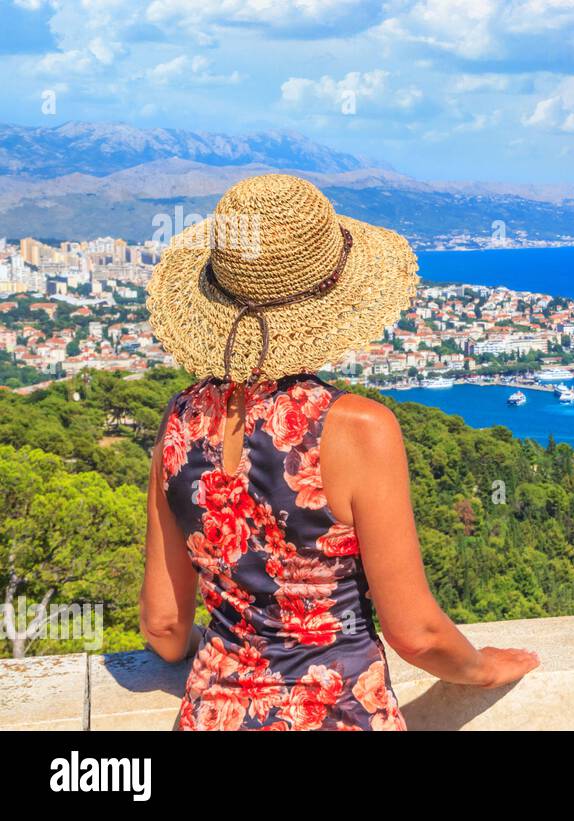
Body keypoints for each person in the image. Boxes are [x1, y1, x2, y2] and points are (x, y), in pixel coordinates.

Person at [138, 173, 538, 731]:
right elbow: (416, 634)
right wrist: (483, 670)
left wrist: (232, 652)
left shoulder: (180, 423)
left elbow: (163, 625)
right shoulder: (356, 429)